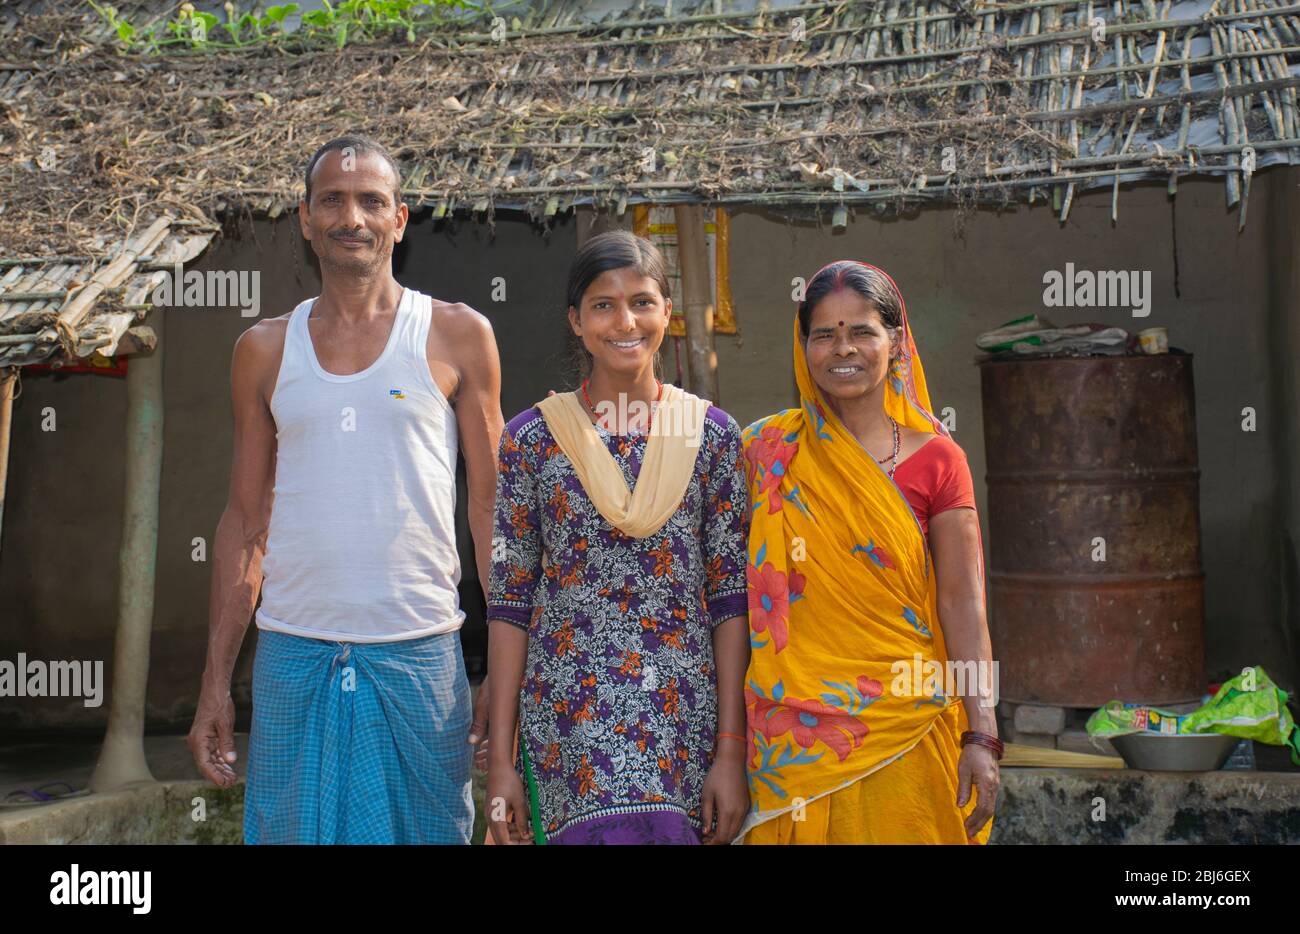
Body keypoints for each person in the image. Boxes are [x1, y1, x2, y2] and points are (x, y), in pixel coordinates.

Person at [187, 135, 504, 844]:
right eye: (331, 199)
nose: (350, 216)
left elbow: (490, 509)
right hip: (294, 652)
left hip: (421, 651)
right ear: (305, 218)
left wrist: (506, 672)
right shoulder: (264, 349)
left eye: (371, 201)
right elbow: (245, 521)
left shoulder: (457, 335)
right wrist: (214, 679)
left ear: (400, 218)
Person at [484, 230, 750, 845]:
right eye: (603, 305)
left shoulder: (711, 437)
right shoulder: (532, 441)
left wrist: (731, 752)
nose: (625, 321)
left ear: (667, 313)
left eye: (642, 302)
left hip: (683, 713)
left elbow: (730, 600)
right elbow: (509, 604)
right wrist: (501, 764)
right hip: (568, 717)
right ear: (576, 321)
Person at [738, 260, 1000, 844]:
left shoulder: (938, 459)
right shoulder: (764, 452)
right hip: (794, 733)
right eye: (823, 334)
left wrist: (981, 733)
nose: (842, 348)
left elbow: (963, 604)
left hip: (906, 720)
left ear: (897, 343)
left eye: (861, 331)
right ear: (803, 345)